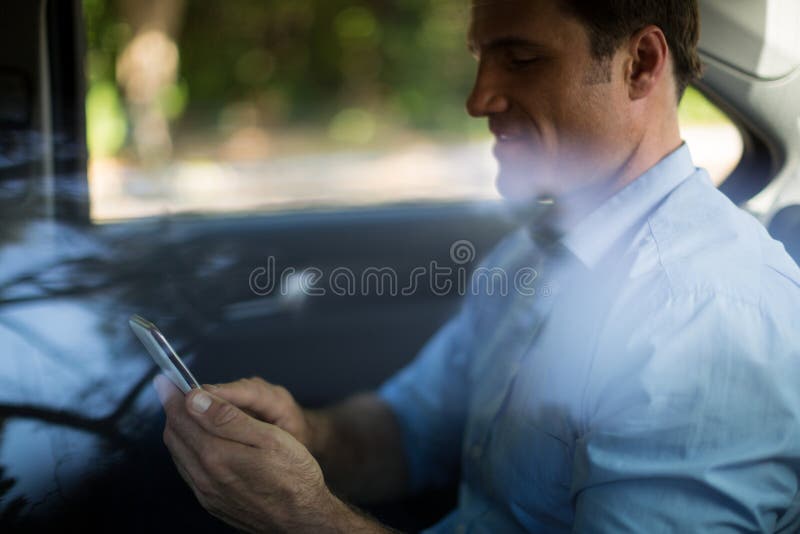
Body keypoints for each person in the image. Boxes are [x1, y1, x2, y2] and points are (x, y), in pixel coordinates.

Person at [154, 0, 800, 531]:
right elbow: (412, 430)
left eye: (521, 59)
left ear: (641, 64)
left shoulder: (704, 314)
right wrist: (310, 436)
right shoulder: (533, 252)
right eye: (480, 59)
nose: (478, 98)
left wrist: (304, 518)